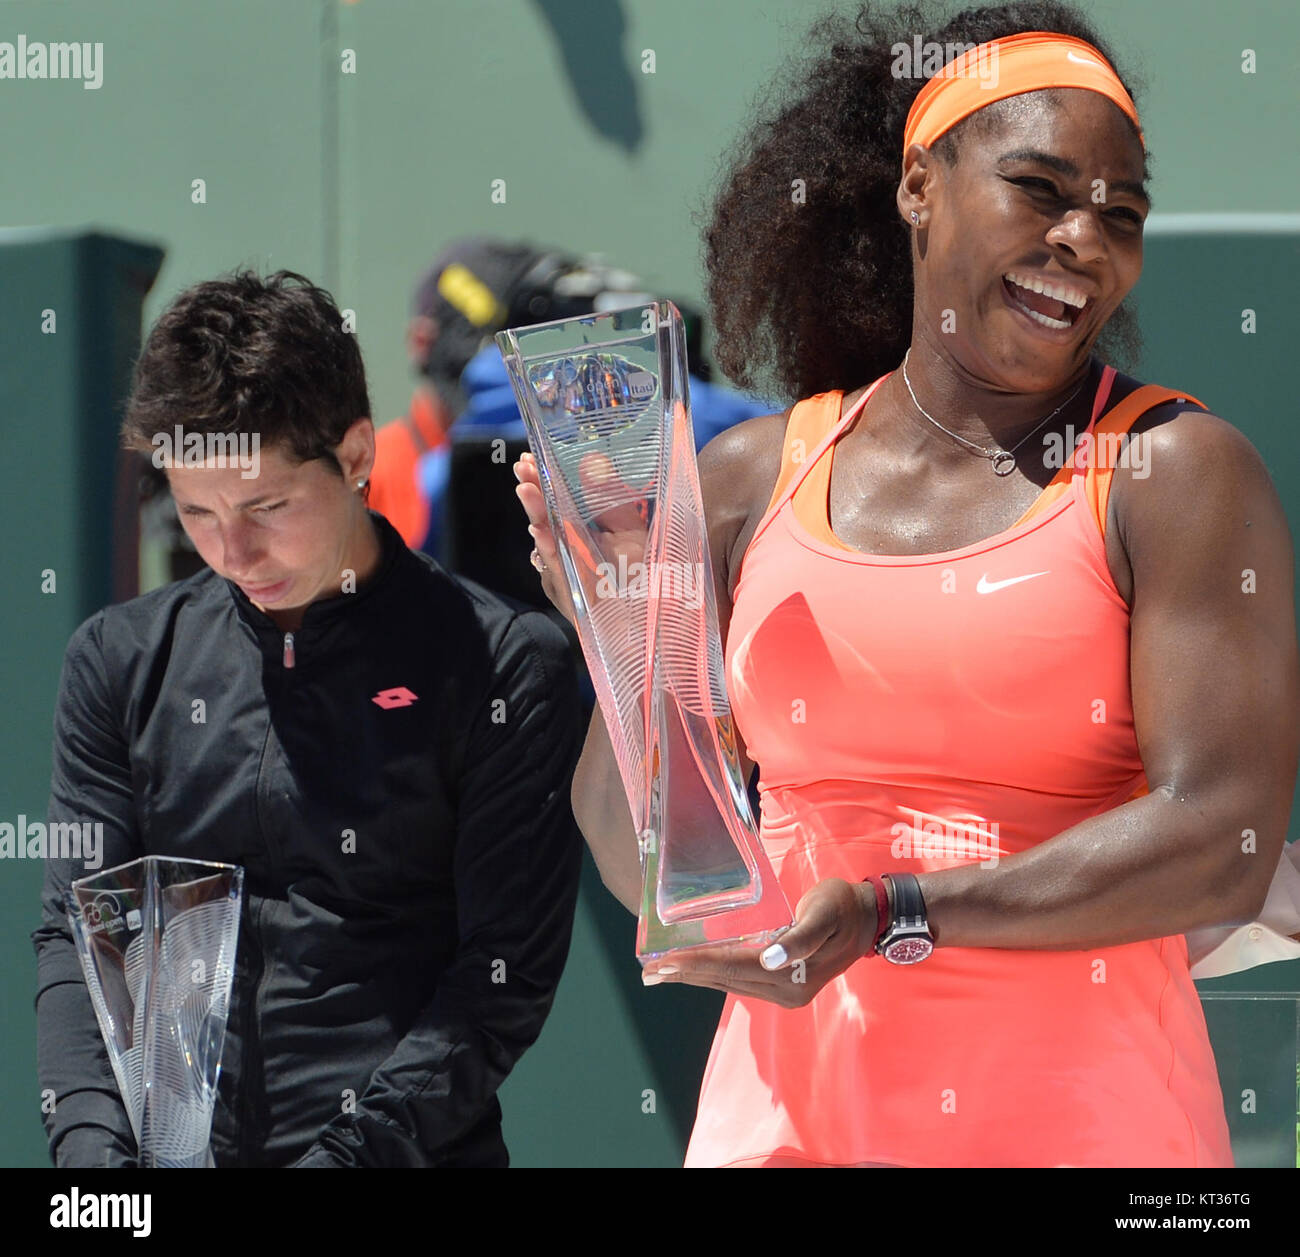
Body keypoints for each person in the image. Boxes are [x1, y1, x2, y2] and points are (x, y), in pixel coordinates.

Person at [514, 1, 1299, 1168]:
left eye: (1120, 214)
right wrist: (629, 658)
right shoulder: (741, 480)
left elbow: (1222, 840)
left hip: (1095, 1136)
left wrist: (897, 912)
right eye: (1040, 189)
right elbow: (654, 875)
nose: (1086, 238)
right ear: (918, 185)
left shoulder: (1175, 470)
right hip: (778, 1129)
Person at [33, 268, 585, 1168]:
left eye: (267, 506)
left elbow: (501, 978)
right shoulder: (117, 660)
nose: (232, 550)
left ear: (357, 453)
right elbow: (74, 932)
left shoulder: (503, 662)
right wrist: (94, 1159)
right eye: (197, 512)